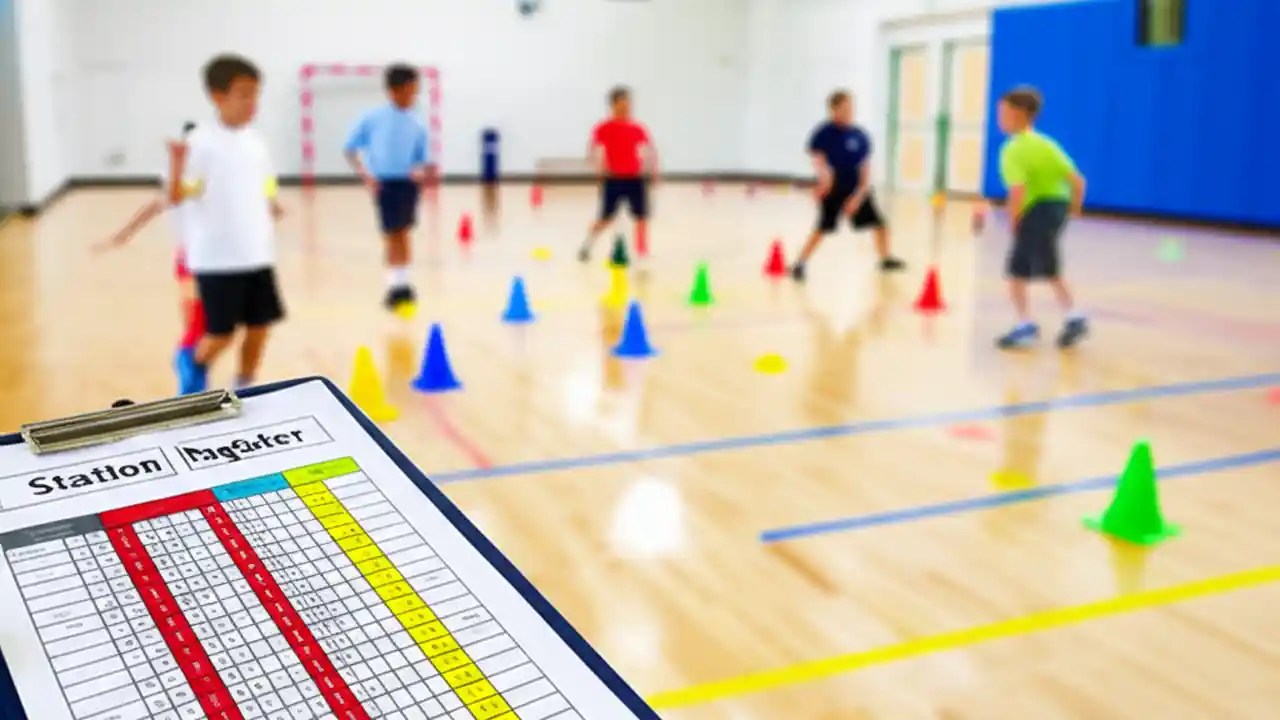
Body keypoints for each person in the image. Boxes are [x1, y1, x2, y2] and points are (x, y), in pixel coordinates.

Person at [171, 54, 285, 394]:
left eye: (256, 94)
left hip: (256, 254)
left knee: (261, 326)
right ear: (218, 97)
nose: (253, 102)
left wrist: (272, 203)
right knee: (221, 333)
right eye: (245, 93)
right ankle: (192, 363)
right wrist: (177, 166)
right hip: (218, 258)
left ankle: (245, 387)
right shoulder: (200, 144)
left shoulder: (255, 141)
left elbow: (264, 182)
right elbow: (178, 195)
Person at [96, 122, 207, 390]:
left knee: (201, 326)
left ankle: (195, 377)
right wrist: (120, 237)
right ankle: (189, 383)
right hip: (191, 261)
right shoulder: (183, 185)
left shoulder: (208, 180)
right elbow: (161, 202)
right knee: (197, 323)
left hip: (207, 260)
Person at [994, 85, 1088, 349]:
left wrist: (1013, 219)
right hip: (1057, 208)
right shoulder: (1047, 144)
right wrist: (1074, 209)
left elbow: (1018, 190)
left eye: (1003, 113)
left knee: (1019, 271)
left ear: (1019, 114)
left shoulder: (1013, 149)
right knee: (1044, 267)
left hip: (1035, 211)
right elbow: (1078, 181)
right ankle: (1070, 316)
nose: (999, 119)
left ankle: (1030, 324)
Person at [791, 90, 905, 282]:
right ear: (833, 109)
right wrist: (823, 180)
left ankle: (885, 259)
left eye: (851, 108)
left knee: (881, 225)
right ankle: (800, 264)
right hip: (832, 191)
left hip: (855, 189)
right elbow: (818, 159)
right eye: (843, 108)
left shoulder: (860, 136)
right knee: (822, 229)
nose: (848, 112)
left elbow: (865, 169)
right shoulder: (823, 133)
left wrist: (858, 196)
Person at [344, 64, 431, 312]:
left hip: (408, 184)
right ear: (392, 91)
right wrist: (366, 176)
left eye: (414, 90)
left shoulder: (417, 122)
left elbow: (422, 156)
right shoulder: (373, 118)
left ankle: (404, 284)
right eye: (406, 90)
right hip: (385, 183)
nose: (411, 95)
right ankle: (393, 286)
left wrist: (421, 171)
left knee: (404, 232)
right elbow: (350, 148)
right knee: (391, 234)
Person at [579, 86, 658, 263]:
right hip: (614, 179)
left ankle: (641, 253)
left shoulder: (637, 128)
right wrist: (599, 170)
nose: (625, 108)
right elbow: (594, 150)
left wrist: (653, 171)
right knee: (605, 218)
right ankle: (587, 245)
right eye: (621, 104)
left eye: (628, 104)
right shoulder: (603, 128)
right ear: (613, 105)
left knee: (641, 218)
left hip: (635, 179)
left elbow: (648, 150)